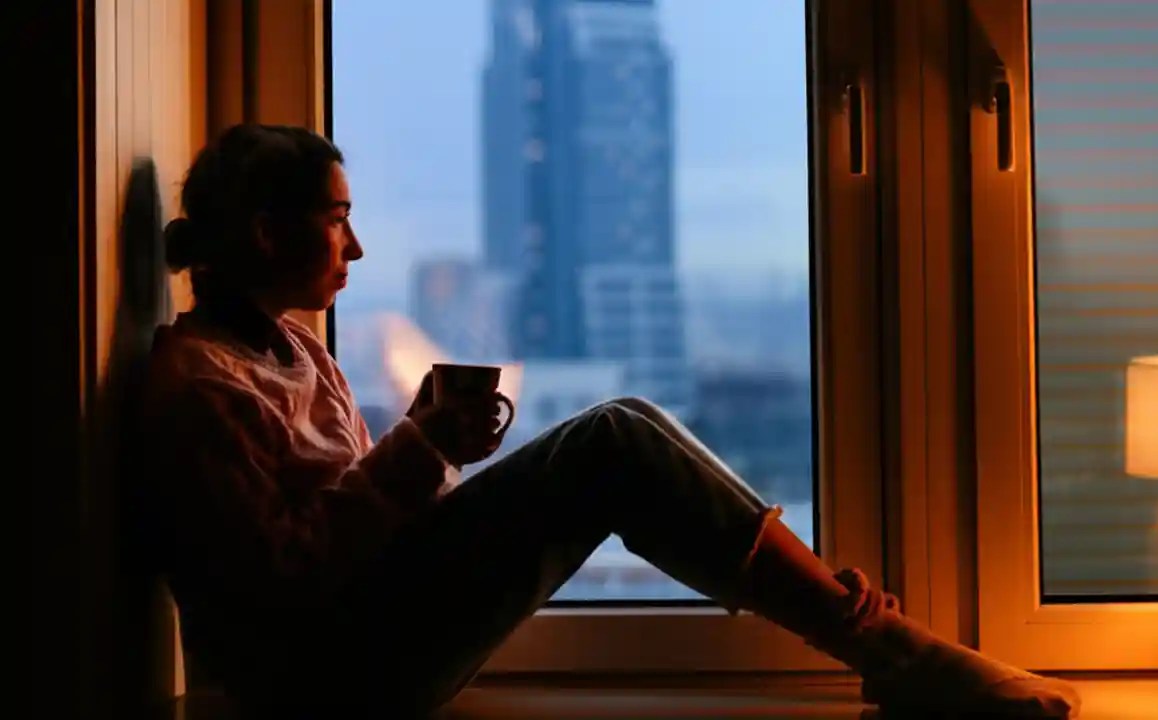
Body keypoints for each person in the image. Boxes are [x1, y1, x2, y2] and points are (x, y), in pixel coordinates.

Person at [139, 123, 1081, 718]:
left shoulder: (296, 351)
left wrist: (431, 451)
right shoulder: (198, 383)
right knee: (617, 439)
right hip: (324, 687)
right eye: (337, 218)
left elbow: (362, 528)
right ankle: (886, 645)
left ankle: (880, 642)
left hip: (367, 639)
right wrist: (418, 450)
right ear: (266, 232)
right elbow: (282, 586)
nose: (356, 245)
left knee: (620, 433)